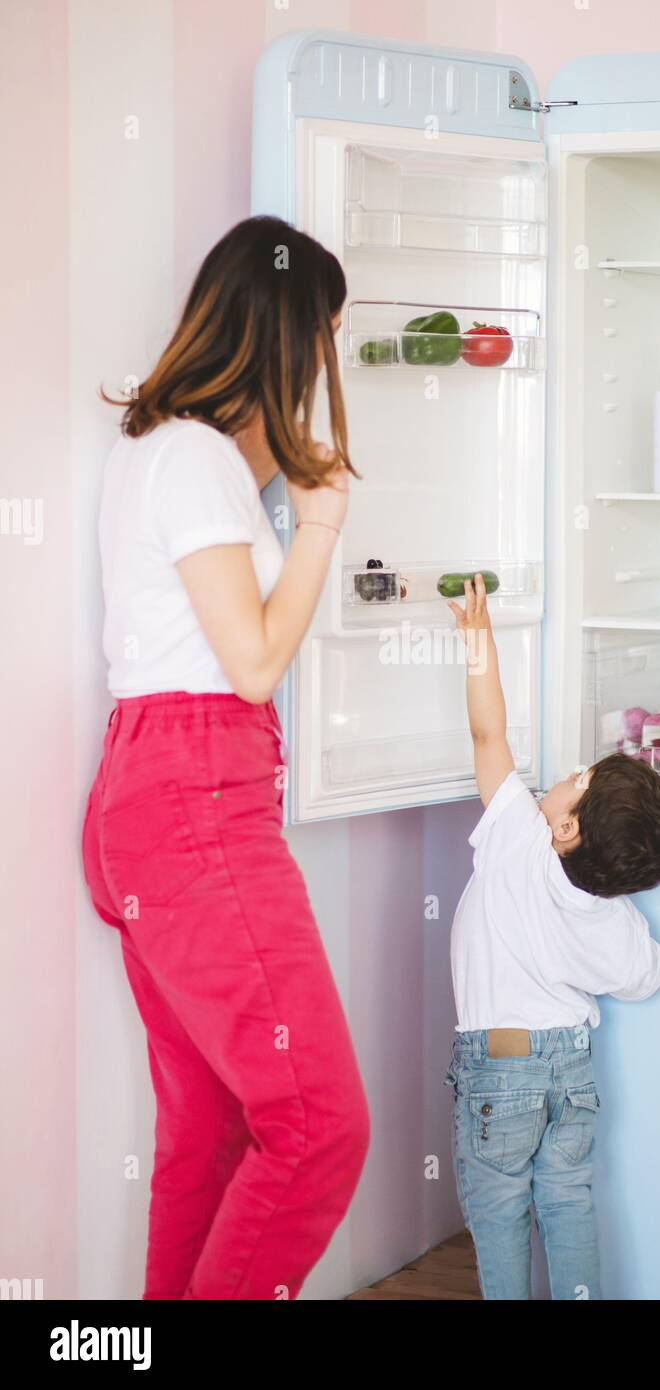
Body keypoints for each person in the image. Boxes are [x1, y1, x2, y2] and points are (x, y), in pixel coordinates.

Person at [81, 216, 370, 1300]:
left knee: (208, 1130)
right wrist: (321, 529)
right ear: (287, 334)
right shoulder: (197, 460)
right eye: (324, 335)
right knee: (320, 1126)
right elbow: (251, 663)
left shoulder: (160, 450)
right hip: (197, 795)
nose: (325, 363)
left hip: (145, 797)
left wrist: (283, 486)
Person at [444, 575, 660, 1300]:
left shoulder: (519, 834)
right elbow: (648, 976)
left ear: (566, 827)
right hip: (571, 1073)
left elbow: (489, 734)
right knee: (568, 1202)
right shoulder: (611, 916)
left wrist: (476, 638)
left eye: (575, 781)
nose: (565, 776)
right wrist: (627, 907)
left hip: (499, 1067)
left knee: (499, 1212)